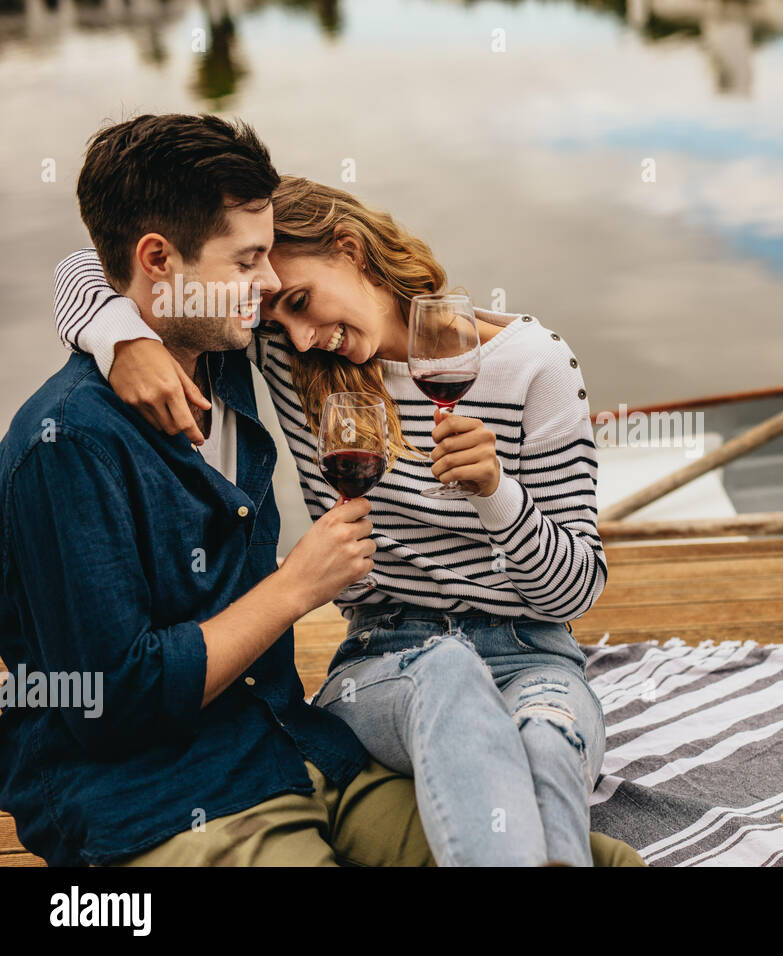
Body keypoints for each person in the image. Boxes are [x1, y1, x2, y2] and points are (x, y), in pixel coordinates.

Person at [1, 113, 640, 868]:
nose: (274, 299)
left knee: (600, 845)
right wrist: (120, 337)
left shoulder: (230, 356)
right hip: (175, 789)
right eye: (251, 267)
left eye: (278, 275)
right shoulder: (88, 434)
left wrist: (497, 491)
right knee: (448, 684)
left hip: (292, 740)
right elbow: (105, 264)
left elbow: (133, 266)